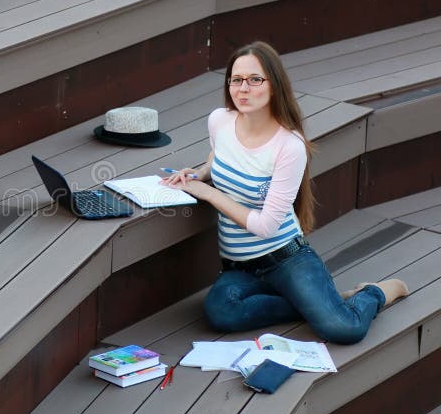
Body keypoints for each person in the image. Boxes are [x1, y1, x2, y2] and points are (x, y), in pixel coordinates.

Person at [161, 41, 408, 345]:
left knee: (345, 329)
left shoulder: (288, 146)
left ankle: (377, 292)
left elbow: (266, 226)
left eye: (255, 80)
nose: (243, 88)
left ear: (274, 86)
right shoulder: (219, 121)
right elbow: (218, 156)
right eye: (236, 80)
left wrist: (208, 194)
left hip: (286, 259)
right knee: (221, 312)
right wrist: (199, 173)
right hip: (240, 267)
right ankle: (322, 304)